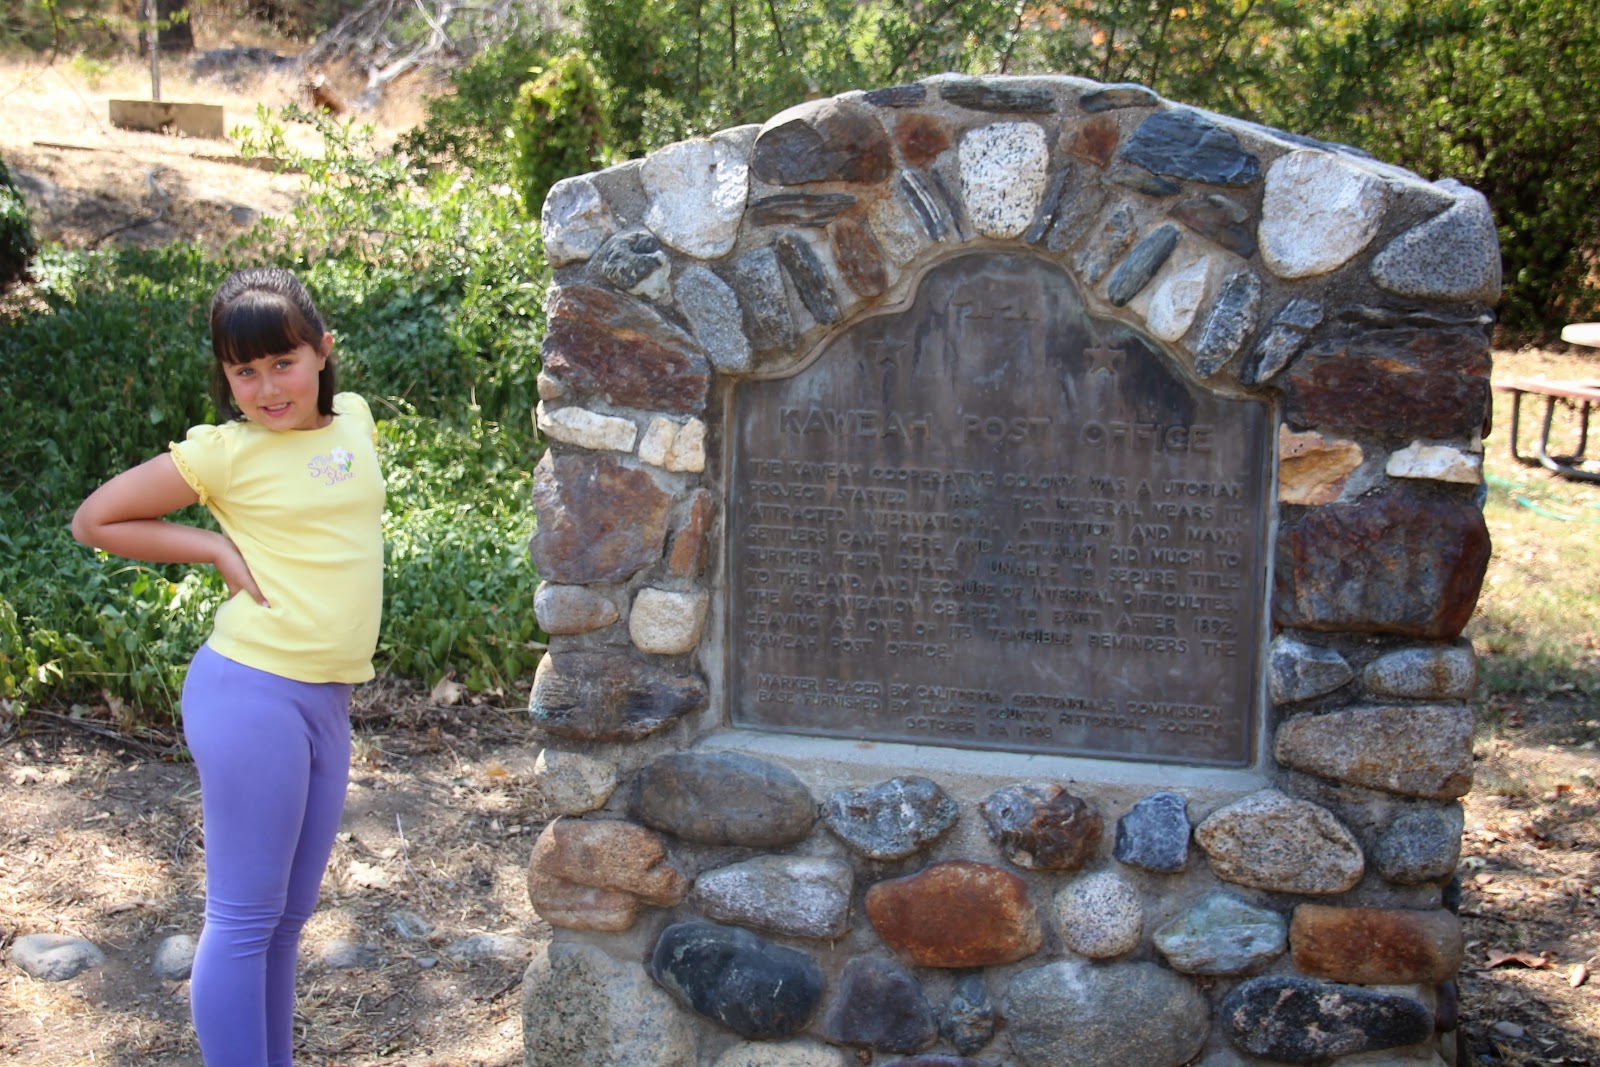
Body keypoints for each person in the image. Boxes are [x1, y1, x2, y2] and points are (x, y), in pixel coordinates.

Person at [72, 267, 385, 1067]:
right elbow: (97, 518)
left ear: (322, 351)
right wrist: (210, 543)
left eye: (281, 362)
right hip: (251, 694)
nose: (265, 386)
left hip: (326, 702)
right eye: (242, 371)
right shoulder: (225, 452)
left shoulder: (354, 419)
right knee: (246, 919)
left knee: (287, 918)